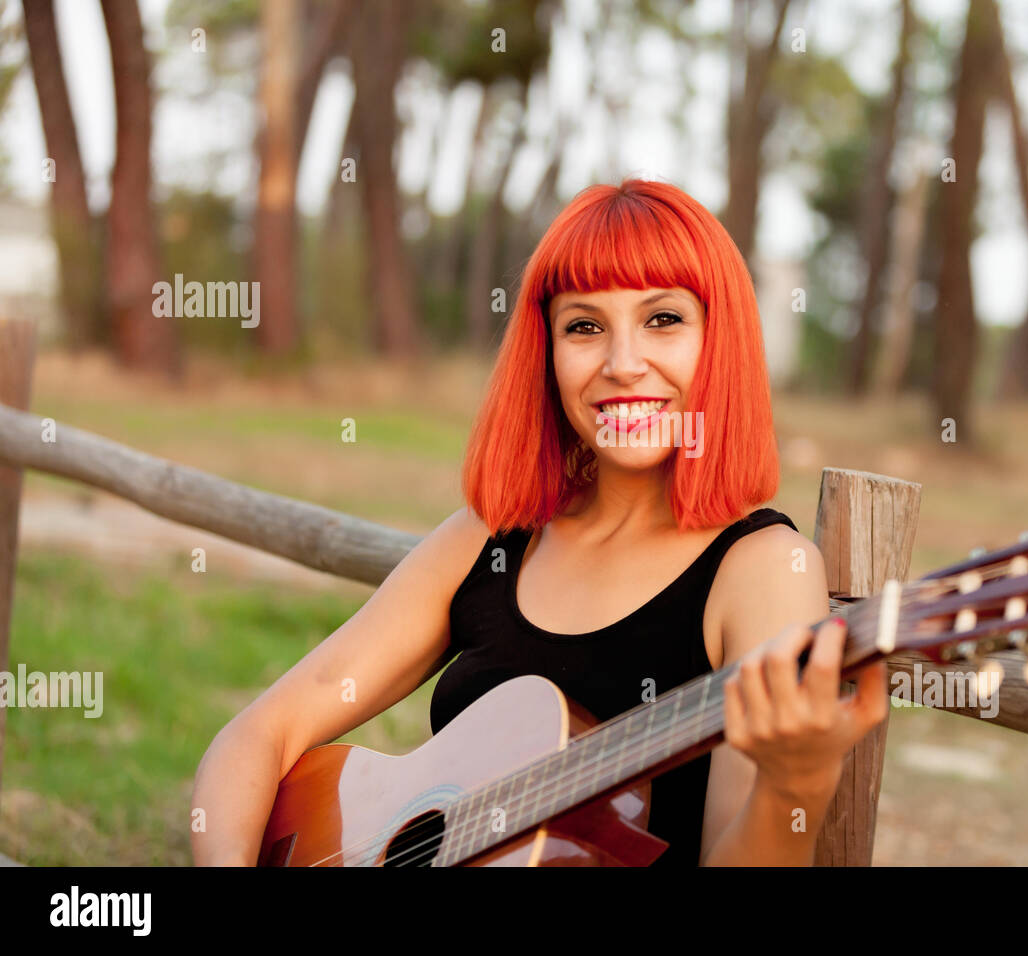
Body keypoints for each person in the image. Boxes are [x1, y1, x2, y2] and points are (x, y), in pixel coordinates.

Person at [191, 178, 887, 867]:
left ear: (719, 342)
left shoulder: (763, 568)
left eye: (663, 319)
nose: (622, 364)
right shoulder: (493, 537)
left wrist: (794, 784)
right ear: (547, 353)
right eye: (584, 326)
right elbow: (261, 733)